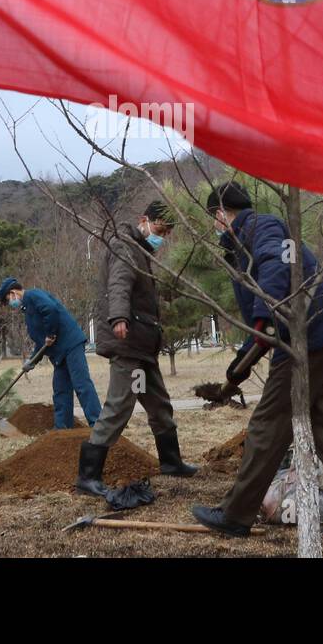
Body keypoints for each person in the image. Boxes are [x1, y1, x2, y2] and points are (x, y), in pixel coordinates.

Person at [191, 182, 323, 538]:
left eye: (213, 217)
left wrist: (263, 324)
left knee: (266, 428)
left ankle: (235, 515)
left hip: (304, 341)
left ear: (220, 212)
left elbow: (276, 272)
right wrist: (240, 363)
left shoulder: (262, 227)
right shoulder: (245, 242)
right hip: (320, 338)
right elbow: (262, 310)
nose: (214, 226)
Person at [77, 200, 196, 496]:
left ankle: (171, 462)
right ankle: (87, 476)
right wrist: (119, 316)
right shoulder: (125, 246)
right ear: (144, 220)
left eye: (168, 233)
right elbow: (119, 283)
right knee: (119, 405)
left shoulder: (141, 250)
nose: (163, 236)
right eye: (160, 229)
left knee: (159, 404)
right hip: (128, 342)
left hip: (142, 343)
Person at [0, 277, 101, 429]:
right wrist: (32, 361)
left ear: (13, 293)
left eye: (9, 300)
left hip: (71, 344)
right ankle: (62, 428)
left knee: (81, 384)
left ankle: (98, 425)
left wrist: (51, 333)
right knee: (60, 390)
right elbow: (41, 342)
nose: (11, 304)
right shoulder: (28, 311)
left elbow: (51, 309)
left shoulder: (33, 296)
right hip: (59, 354)